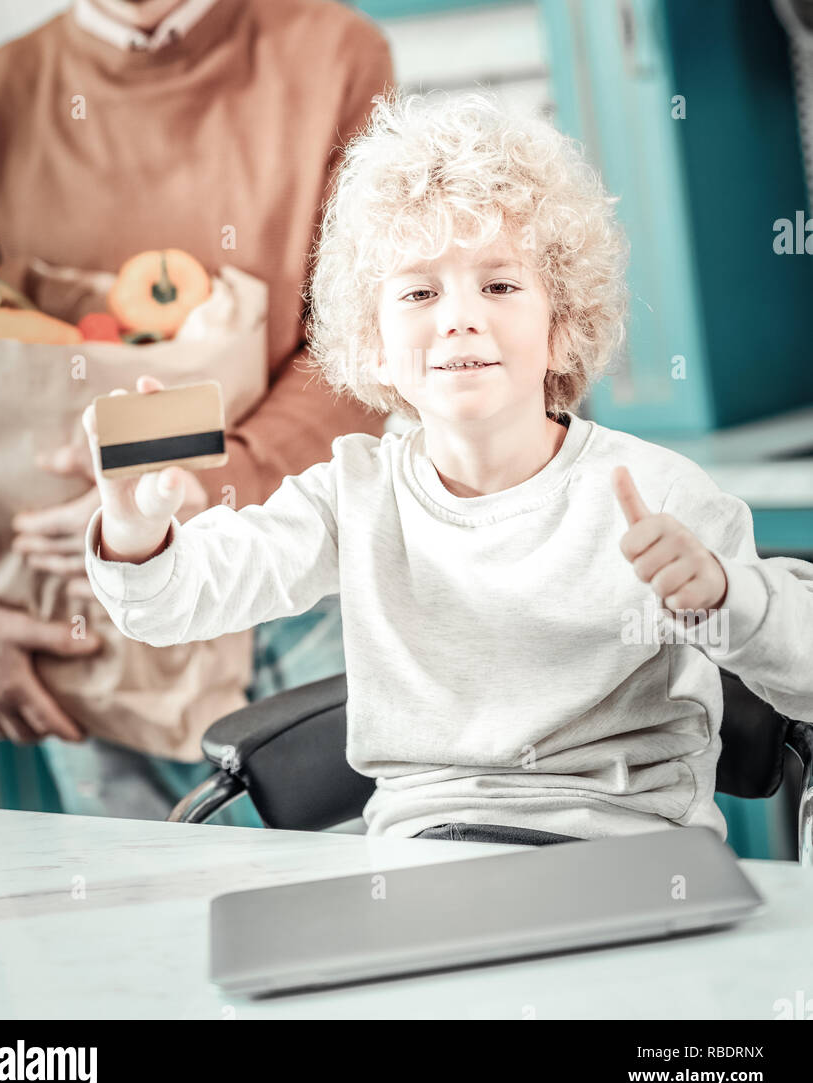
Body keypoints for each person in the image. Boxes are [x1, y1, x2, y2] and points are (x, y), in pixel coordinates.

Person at [77, 89, 813, 845]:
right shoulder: (353, 495)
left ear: (561, 329)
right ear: (373, 346)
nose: (459, 316)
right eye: (420, 291)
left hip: (624, 853)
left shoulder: (655, 496)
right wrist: (136, 531)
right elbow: (170, 605)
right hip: (421, 863)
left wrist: (725, 599)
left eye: (498, 285)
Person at [0, 0, 392, 825]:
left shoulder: (333, 55)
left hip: (301, 582)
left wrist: (217, 479)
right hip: (75, 623)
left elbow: (373, 333)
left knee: (355, 930)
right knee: (137, 967)